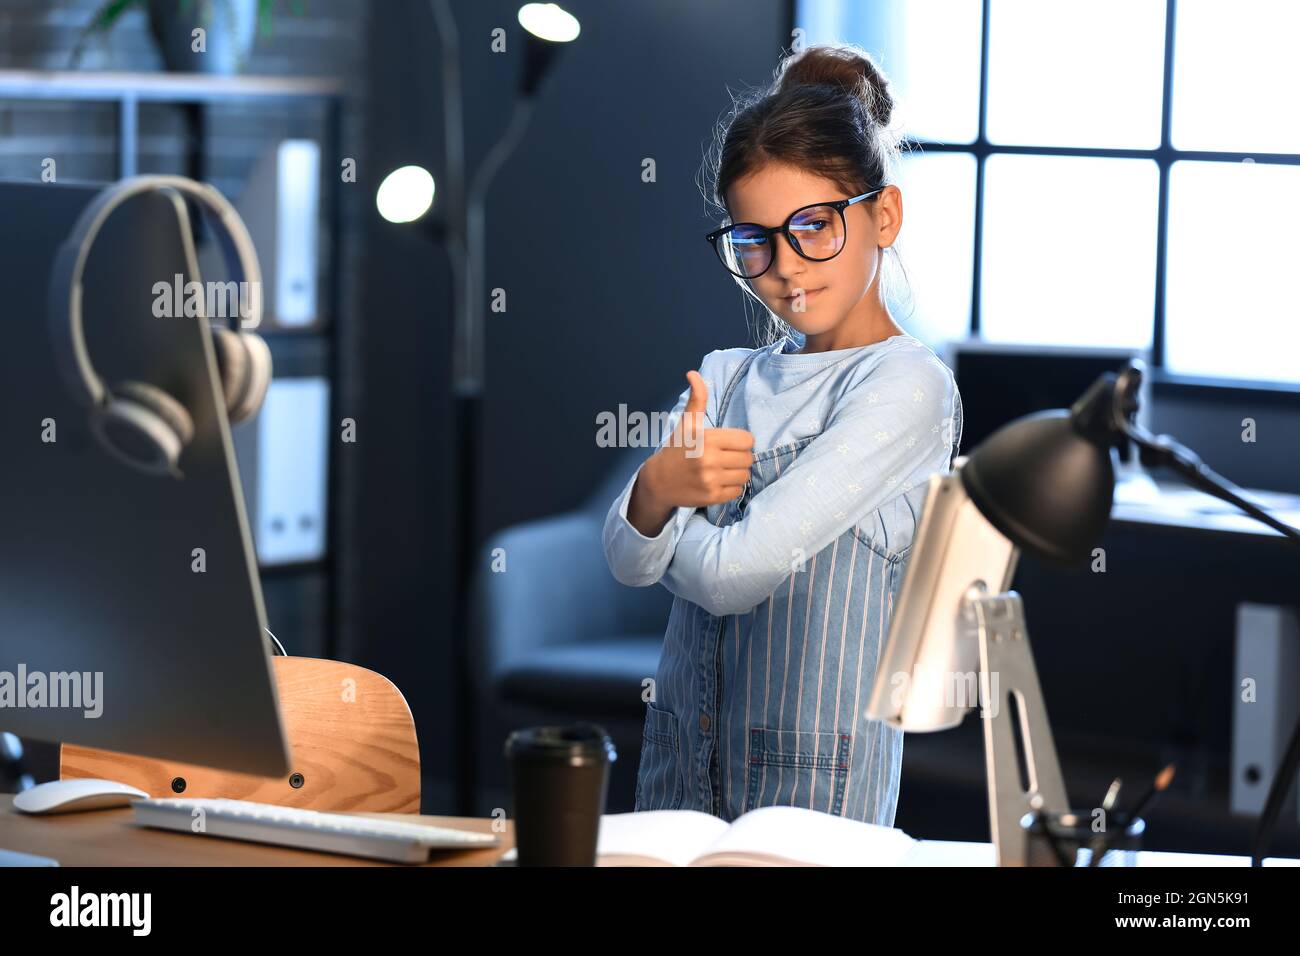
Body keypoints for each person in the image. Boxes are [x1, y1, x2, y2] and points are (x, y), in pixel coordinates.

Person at [603, 42, 962, 826]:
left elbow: (735, 577)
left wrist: (671, 521)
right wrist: (661, 490)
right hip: (678, 770)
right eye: (754, 240)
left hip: (812, 791)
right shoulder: (726, 375)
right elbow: (624, 560)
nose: (786, 268)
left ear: (884, 215)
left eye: (814, 226)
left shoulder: (904, 386)